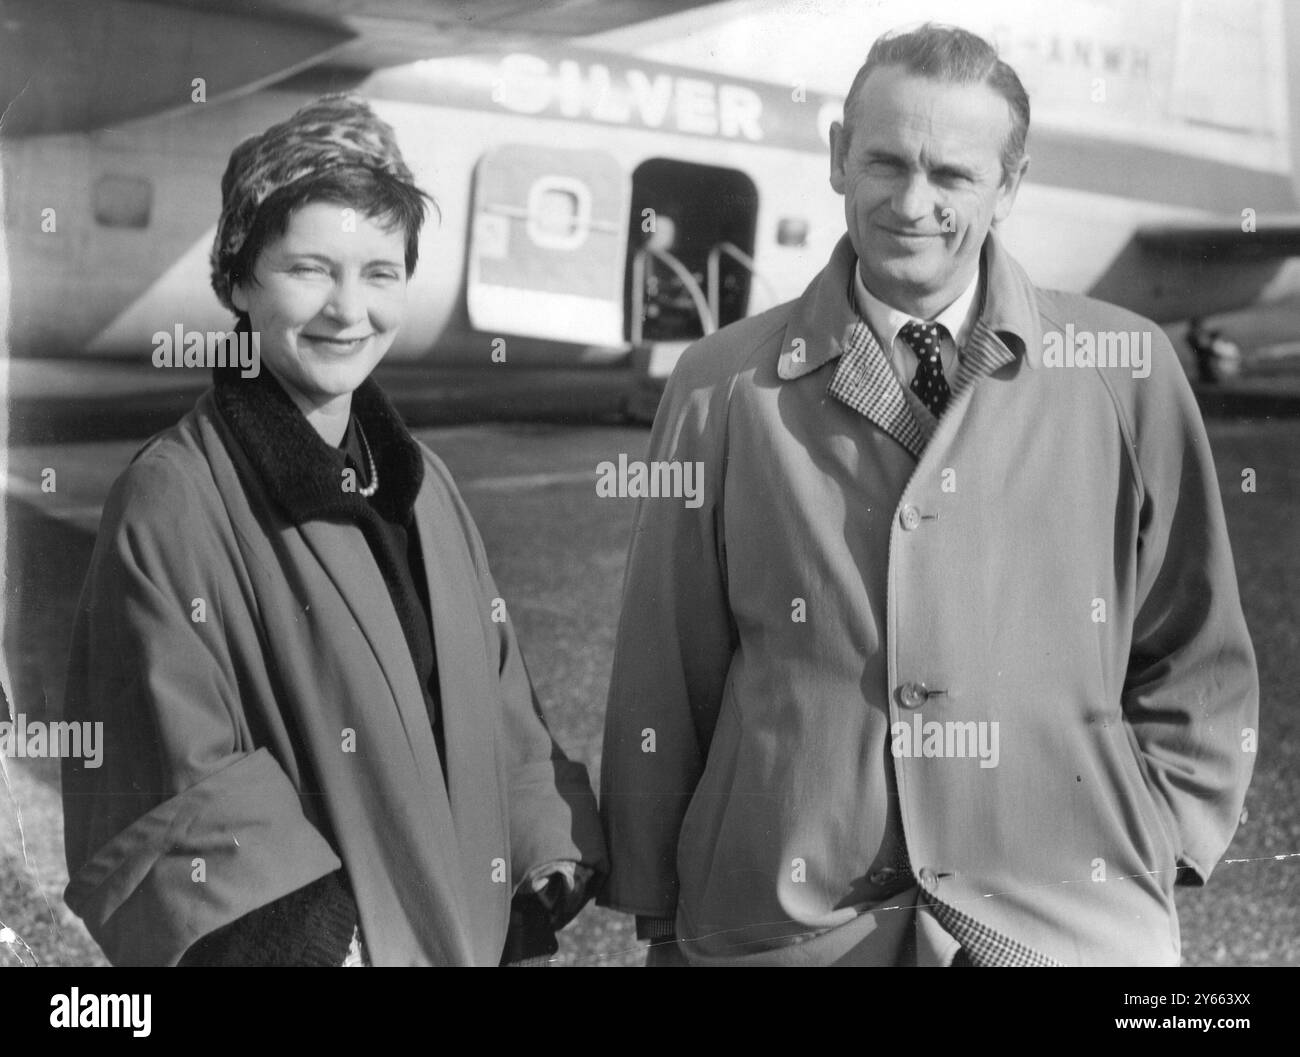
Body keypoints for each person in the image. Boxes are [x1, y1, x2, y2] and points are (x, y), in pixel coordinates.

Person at [598, 25, 1257, 966]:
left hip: (1062, 927)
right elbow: (667, 663)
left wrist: (1160, 834)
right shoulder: (719, 384)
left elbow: (1198, 652)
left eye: (952, 175)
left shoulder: (1128, 370)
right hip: (789, 928)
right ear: (836, 157)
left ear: (1011, 185)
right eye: (885, 162)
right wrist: (664, 908)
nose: (913, 203)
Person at [61, 94, 606, 966]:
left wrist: (533, 878)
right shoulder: (173, 497)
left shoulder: (427, 488)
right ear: (238, 279)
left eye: (380, 273)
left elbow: (499, 705)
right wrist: (326, 943)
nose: (348, 310)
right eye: (309, 269)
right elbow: (166, 776)